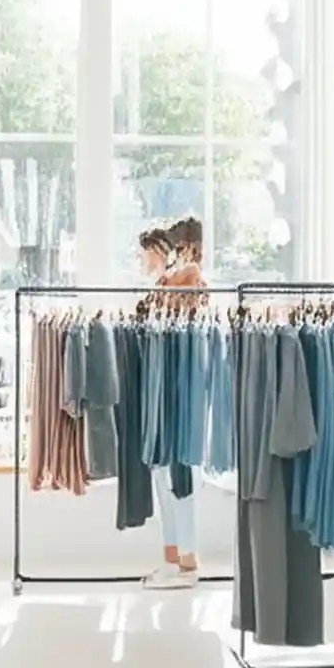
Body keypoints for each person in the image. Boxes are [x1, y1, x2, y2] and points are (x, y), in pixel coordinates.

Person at [138, 217, 206, 590]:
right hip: (169, 384)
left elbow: (177, 327)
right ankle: (174, 558)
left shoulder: (187, 276)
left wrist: (163, 279)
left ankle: (186, 562)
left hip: (179, 385)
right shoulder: (170, 281)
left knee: (177, 475)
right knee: (165, 475)